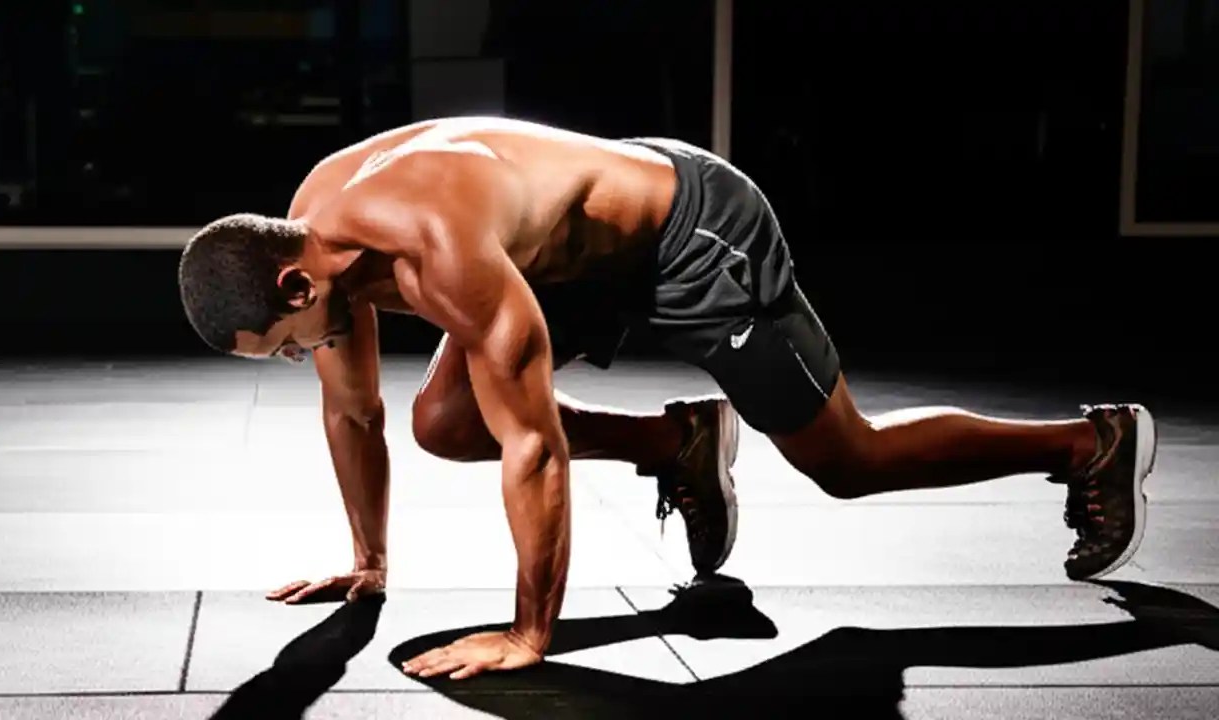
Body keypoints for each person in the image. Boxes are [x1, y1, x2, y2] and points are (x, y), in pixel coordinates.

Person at [177, 116, 1157, 681]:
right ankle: (674, 444)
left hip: (688, 231)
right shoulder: (309, 234)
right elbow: (354, 411)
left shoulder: (430, 243)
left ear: (293, 287)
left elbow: (533, 449)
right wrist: (368, 562)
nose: (292, 361)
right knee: (443, 420)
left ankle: (1084, 445)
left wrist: (531, 633)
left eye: (277, 350)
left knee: (843, 464)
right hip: (564, 253)